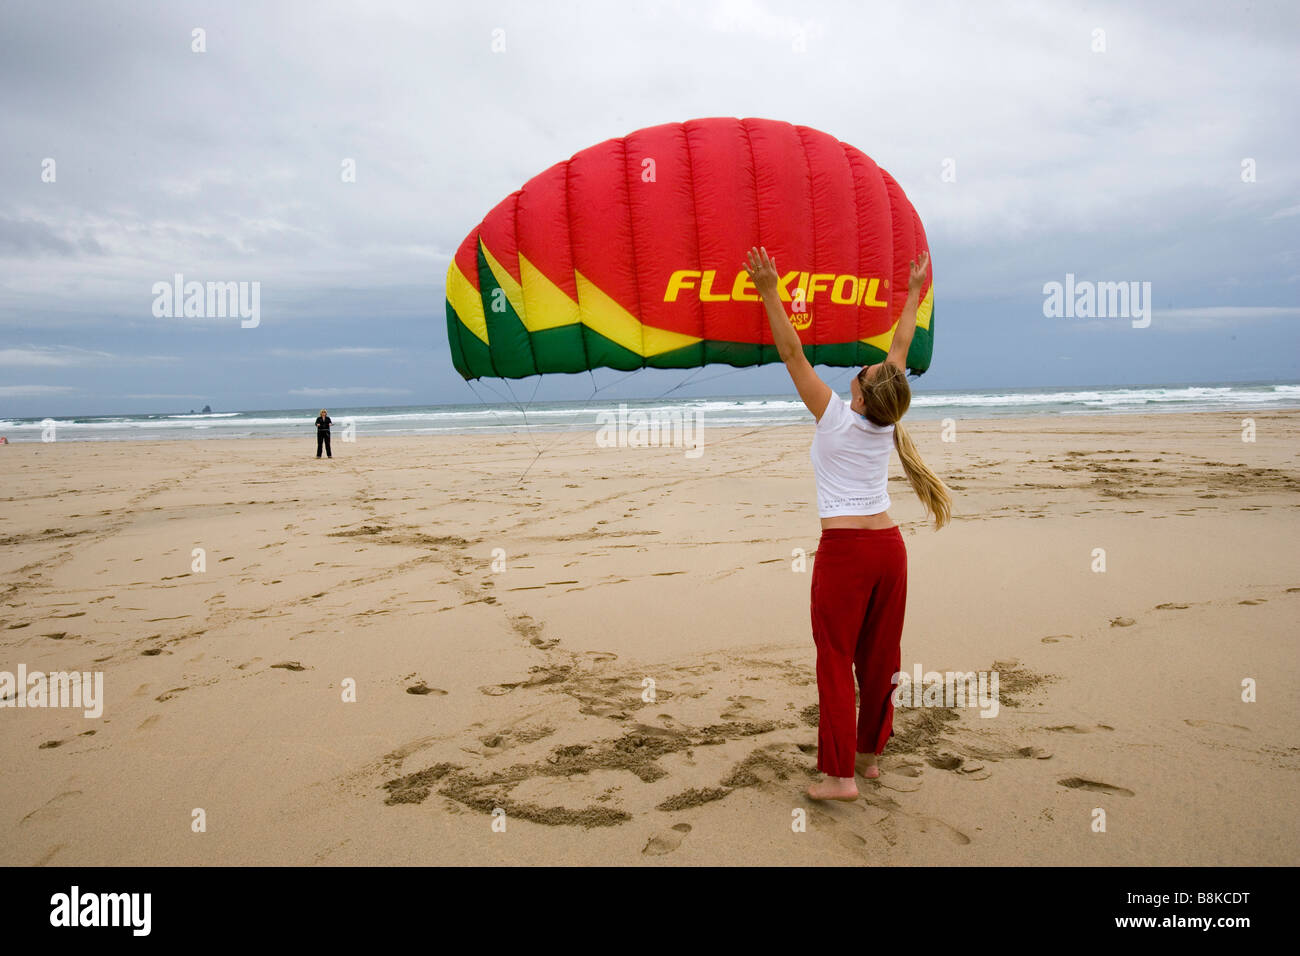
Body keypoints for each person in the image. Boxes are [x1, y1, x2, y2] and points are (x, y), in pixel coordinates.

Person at [744, 246, 951, 802]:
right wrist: (911, 294)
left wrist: (769, 290)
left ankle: (839, 778)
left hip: (846, 554)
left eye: (861, 371)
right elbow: (900, 346)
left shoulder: (837, 418)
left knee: (836, 660)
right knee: (881, 657)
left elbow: (791, 354)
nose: (864, 367)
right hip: (889, 549)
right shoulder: (887, 417)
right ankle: (868, 758)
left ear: (858, 394)